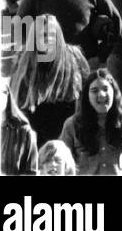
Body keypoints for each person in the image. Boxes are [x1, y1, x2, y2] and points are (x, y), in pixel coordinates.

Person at [58, 69, 122, 175]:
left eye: (106, 89)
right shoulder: (72, 125)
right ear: (87, 96)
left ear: (114, 92)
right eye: (95, 91)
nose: (101, 94)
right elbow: (61, 164)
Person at [8, 13, 87, 146]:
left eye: (52, 35)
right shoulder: (23, 62)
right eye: (42, 35)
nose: (48, 39)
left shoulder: (74, 57)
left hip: (68, 133)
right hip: (35, 134)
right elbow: (17, 106)